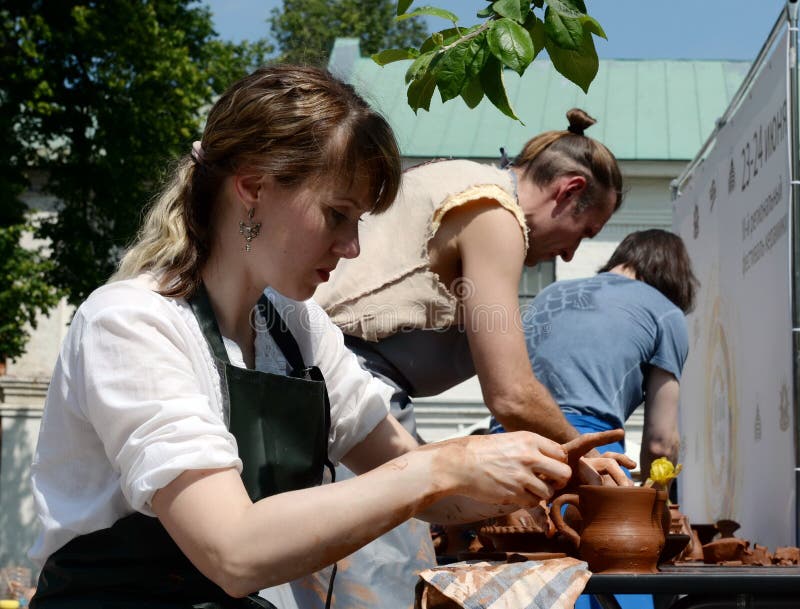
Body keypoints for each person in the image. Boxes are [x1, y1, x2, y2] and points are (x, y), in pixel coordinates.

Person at [27, 65, 619, 609]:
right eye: (337, 214)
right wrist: (445, 467)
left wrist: (552, 472)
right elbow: (232, 551)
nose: (352, 247)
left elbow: (425, 487)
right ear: (253, 186)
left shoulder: (295, 330)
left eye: (358, 220)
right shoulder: (133, 323)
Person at [311, 109, 633, 609]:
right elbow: (510, 392)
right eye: (584, 233)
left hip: (338, 387)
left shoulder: (473, 187)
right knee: (378, 589)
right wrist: (583, 454)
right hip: (340, 387)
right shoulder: (494, 213)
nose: (569, 256)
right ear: (568, 191)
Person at [494, 228, 698, 609]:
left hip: (505, 446)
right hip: (588, 448)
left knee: (516, 587)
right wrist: (658, 510)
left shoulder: (549, 295)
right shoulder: (665, 312)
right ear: (674, 277)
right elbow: (660, 442)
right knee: (618, 575)